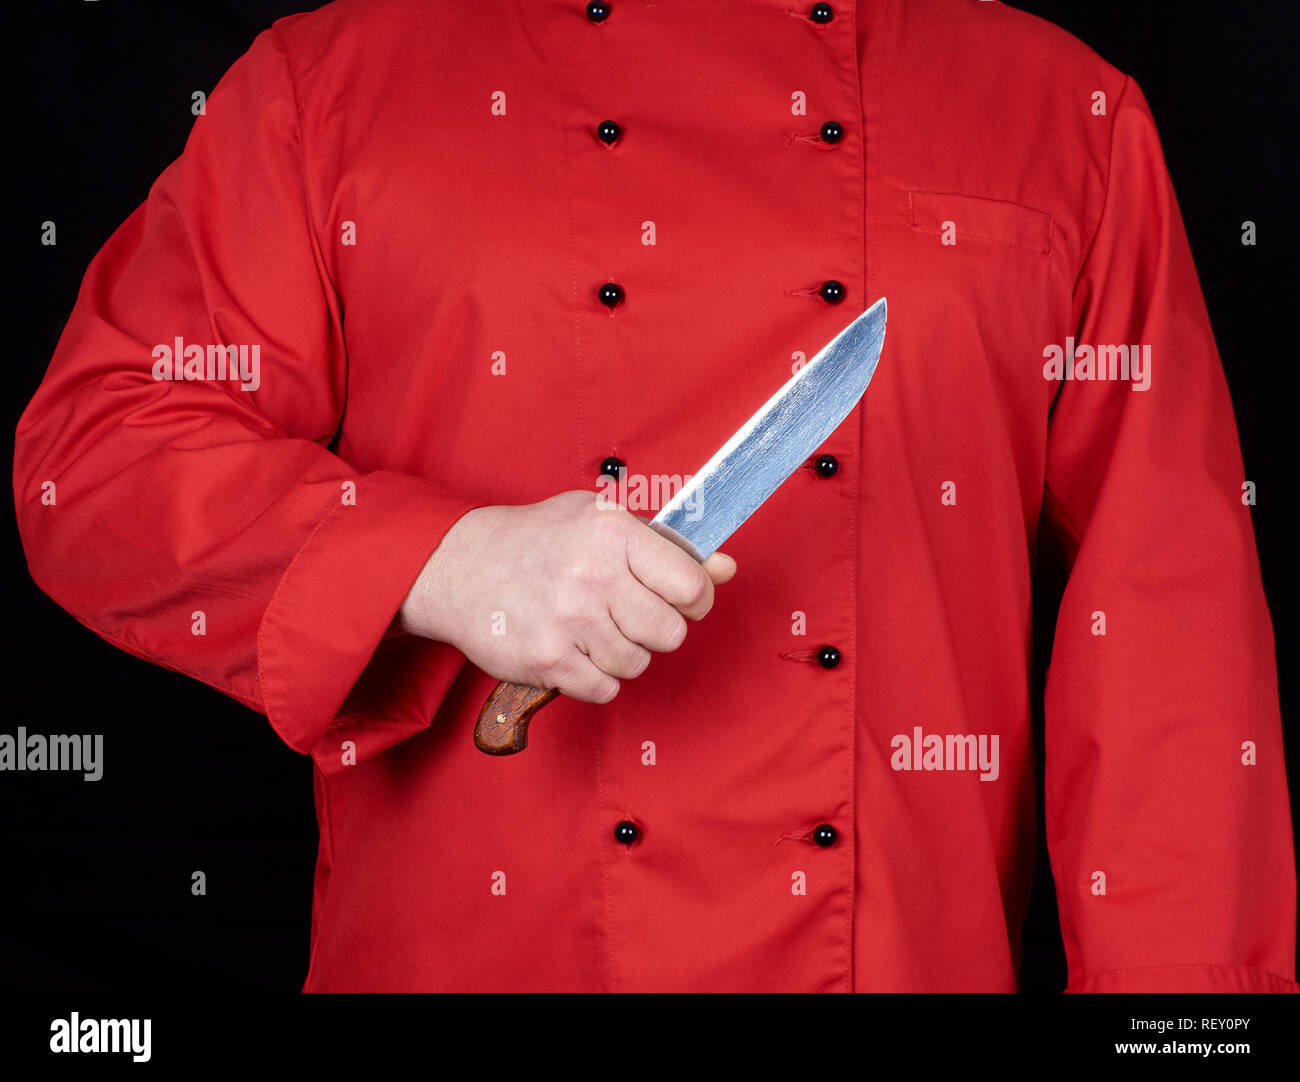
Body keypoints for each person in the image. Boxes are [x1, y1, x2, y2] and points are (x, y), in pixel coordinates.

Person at [13, 0, 1297, 992]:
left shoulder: (1056, 110)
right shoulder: (336, 81)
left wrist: (1188, 1020)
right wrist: (440, 564)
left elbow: (1170, 632)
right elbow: (99, 452)